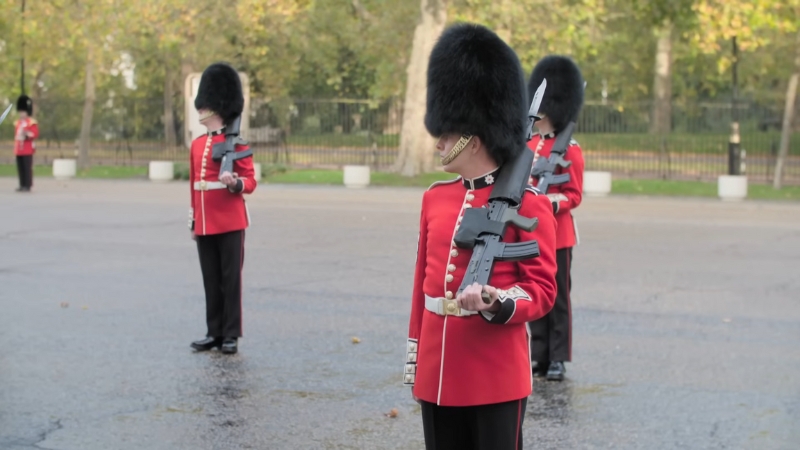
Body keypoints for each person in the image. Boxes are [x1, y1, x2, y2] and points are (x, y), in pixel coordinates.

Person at [403, 23, 558, 450]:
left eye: (447, 133)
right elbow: (421, 289)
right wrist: (416, 361)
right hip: (437, 371)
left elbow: (542, 289)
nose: (439, 142)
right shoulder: (435, 199)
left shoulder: (529, 205)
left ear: (473, 138)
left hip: (494, 374)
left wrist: (498, 300)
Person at [188, 62, 257, 355]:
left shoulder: (236, 144)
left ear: (217, 108)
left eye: (205, 105)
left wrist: (235, 183)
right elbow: (194, 186)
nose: (200, 109)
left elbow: (250, 181)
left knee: (231, 280)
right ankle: (213, 332)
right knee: (211, 279)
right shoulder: (196, 145)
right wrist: (194, 221)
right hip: (205, 220)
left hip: (230, 220)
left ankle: (231, 334)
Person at [526, 55, 585, 381]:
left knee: (559, 297)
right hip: (530, 233)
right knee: (535, 291)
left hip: (559, 234)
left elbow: (574, 195)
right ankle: (539, 355)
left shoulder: (570, 150)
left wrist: (547, 202)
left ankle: (558, 358)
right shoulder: (529, 145)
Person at [14, 95, 39, 192]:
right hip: (19, 149)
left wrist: (27, 134)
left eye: (23, 112)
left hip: (27, 148)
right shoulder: (17, 123)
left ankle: (27, 185)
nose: (21, 114)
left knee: (27, 168)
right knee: (20, 168)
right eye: (20, 112)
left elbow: (35, 134)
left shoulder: (31, 122)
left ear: (27, 112)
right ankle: (22, 184)